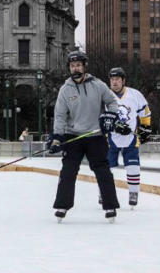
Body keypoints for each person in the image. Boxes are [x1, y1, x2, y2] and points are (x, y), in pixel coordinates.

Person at [49, 50, 130, 222]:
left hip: (96, 136)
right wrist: (57, 137)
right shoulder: (65, 90)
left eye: (78, 65)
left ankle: (110, 206)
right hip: (73, 137)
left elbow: (112, 102)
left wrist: (111, 117)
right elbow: (60, 116)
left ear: (84, 66)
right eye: (72, 66)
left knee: (103, 172)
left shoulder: (98, 85)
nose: (75, 68)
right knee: (68, 172)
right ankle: (63, 205)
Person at [106, 67, 152, 207]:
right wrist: (114, 126)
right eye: (112, 79)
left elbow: (145, 112)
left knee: (133, 167)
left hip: (131, 139)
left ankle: (133, 193)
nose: (114, 82)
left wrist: (146, 127)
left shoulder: (134, 94)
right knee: (105, 169)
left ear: (123, 81)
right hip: (110, 140)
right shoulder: (104, 95)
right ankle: (104, 193)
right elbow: (99, 117)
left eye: (117, 79)